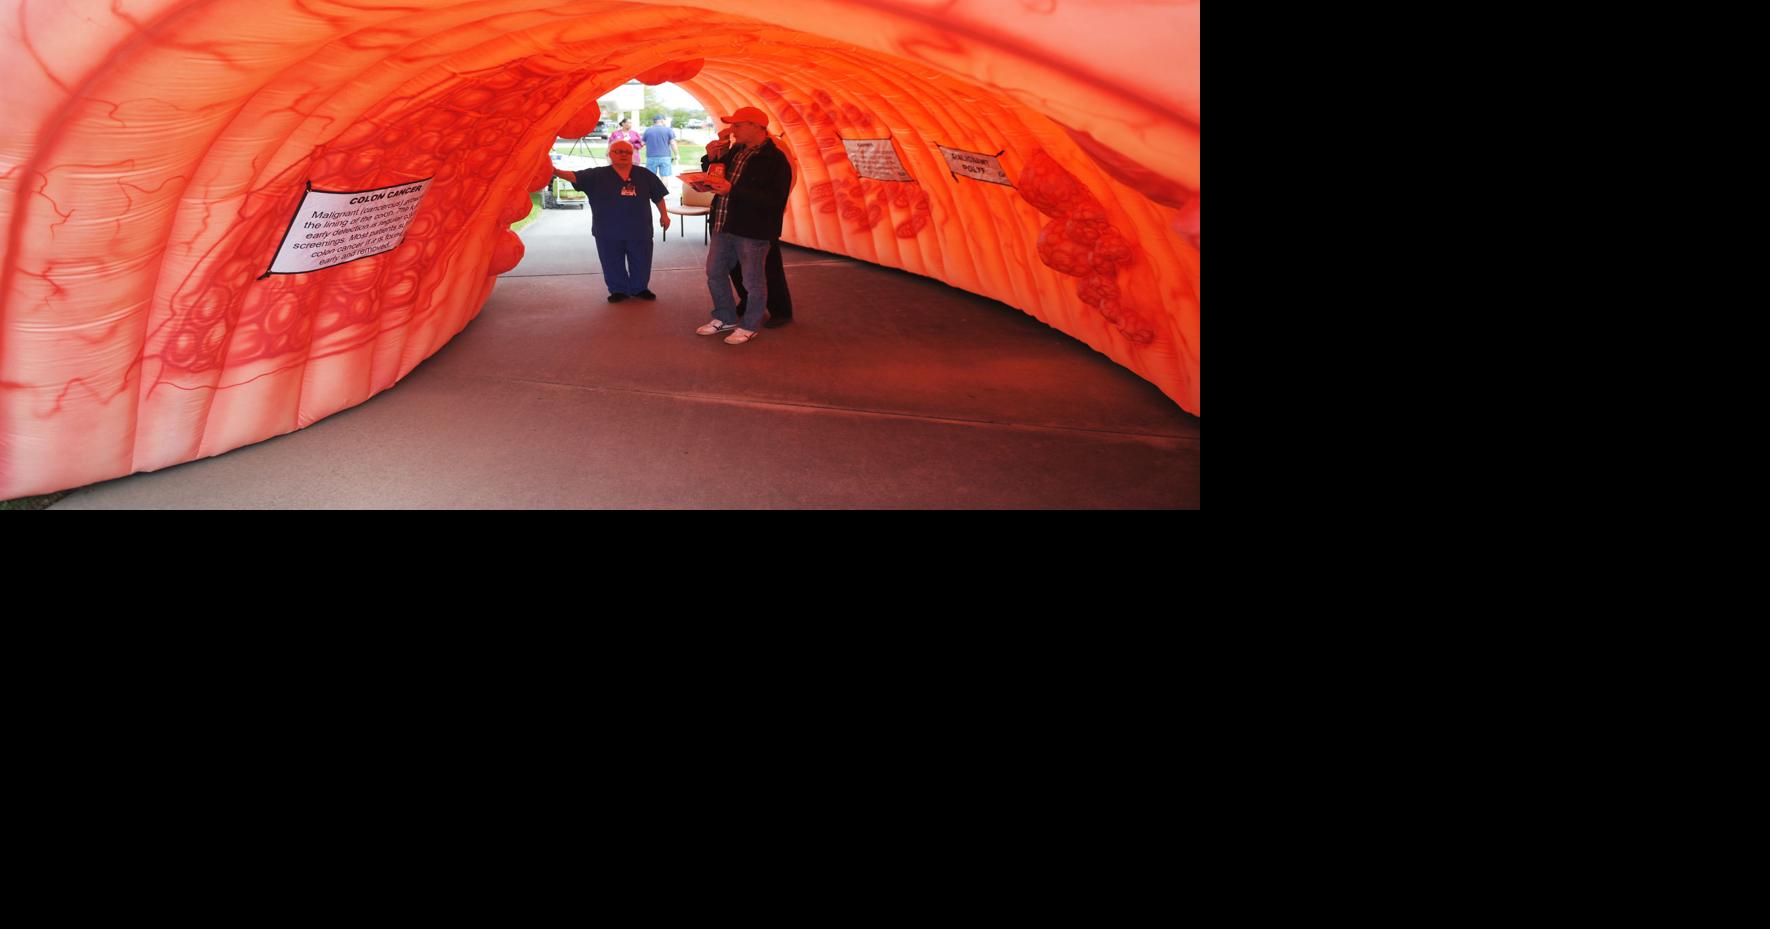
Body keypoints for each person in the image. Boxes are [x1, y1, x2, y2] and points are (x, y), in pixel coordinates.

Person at [694, 106, 792, 345]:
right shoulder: (736, 151)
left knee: (752, 280)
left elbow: (774, 200)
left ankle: (750, 325)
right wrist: (711, 159)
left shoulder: (775, 159)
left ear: (757, 127)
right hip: (723, 223)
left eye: (737, 125)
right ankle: (725, 317)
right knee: (715, 273)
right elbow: (717, 174)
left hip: (752, 229)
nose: (732, 130)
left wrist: (732, 190)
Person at [552, 140, 670, 302]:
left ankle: (640, 288)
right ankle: (618, 290)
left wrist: (664, 215)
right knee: (611, 260)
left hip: (639, 229)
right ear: (609, 155)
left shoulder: (644, 174)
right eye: (618, 151)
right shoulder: (596, 175)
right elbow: (574, 176)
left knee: (641, 259)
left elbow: (658, 196)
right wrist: (553, 170)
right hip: (607, 229)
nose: (623, 154)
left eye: (627, 152)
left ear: (633, 155)